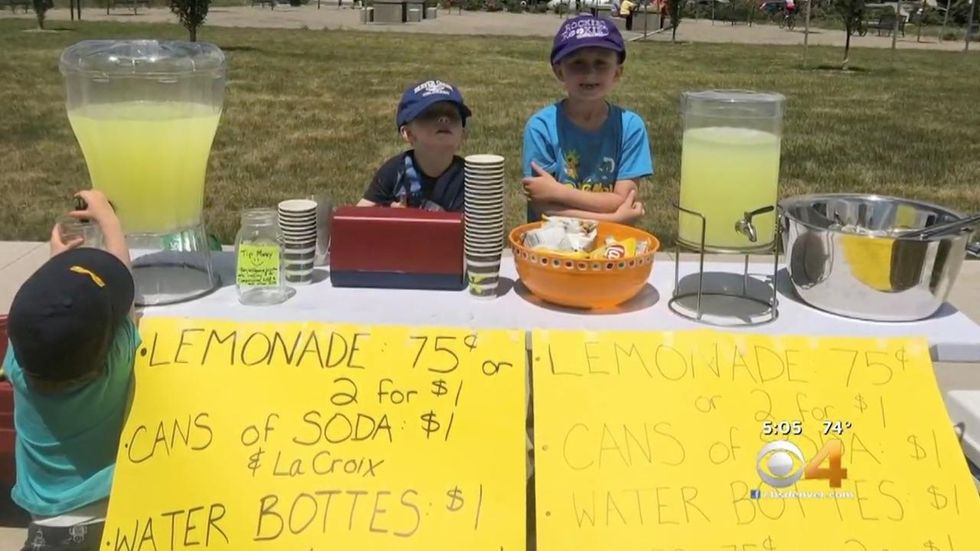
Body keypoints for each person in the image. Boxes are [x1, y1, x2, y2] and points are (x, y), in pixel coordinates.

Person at [4, 190, 138, 551]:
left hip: (43, 529)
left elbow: (44, 322)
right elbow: (126, 296)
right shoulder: (114, 368)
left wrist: (57, 265)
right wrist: (108, 220)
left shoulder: (17, 365)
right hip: (106, 521)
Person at [521, 15, 653, 224]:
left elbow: (623, 200)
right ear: (559, 71)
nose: (590, 73)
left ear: (617, 72)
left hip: (611, 241)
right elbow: (543, 207)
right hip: (552, 240)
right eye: (578, 63)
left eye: (601, 63)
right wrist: (614, 218)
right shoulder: (541, 128)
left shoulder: (630, 127)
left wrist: (559, 192)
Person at [357, 79, 472, 212]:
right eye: (431, 114)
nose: (444, 119)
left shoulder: (471, 178)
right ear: (408, 133)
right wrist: (387, 214)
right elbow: (356, 217)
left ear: (463, 133)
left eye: (453, 115)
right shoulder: (396, 171)